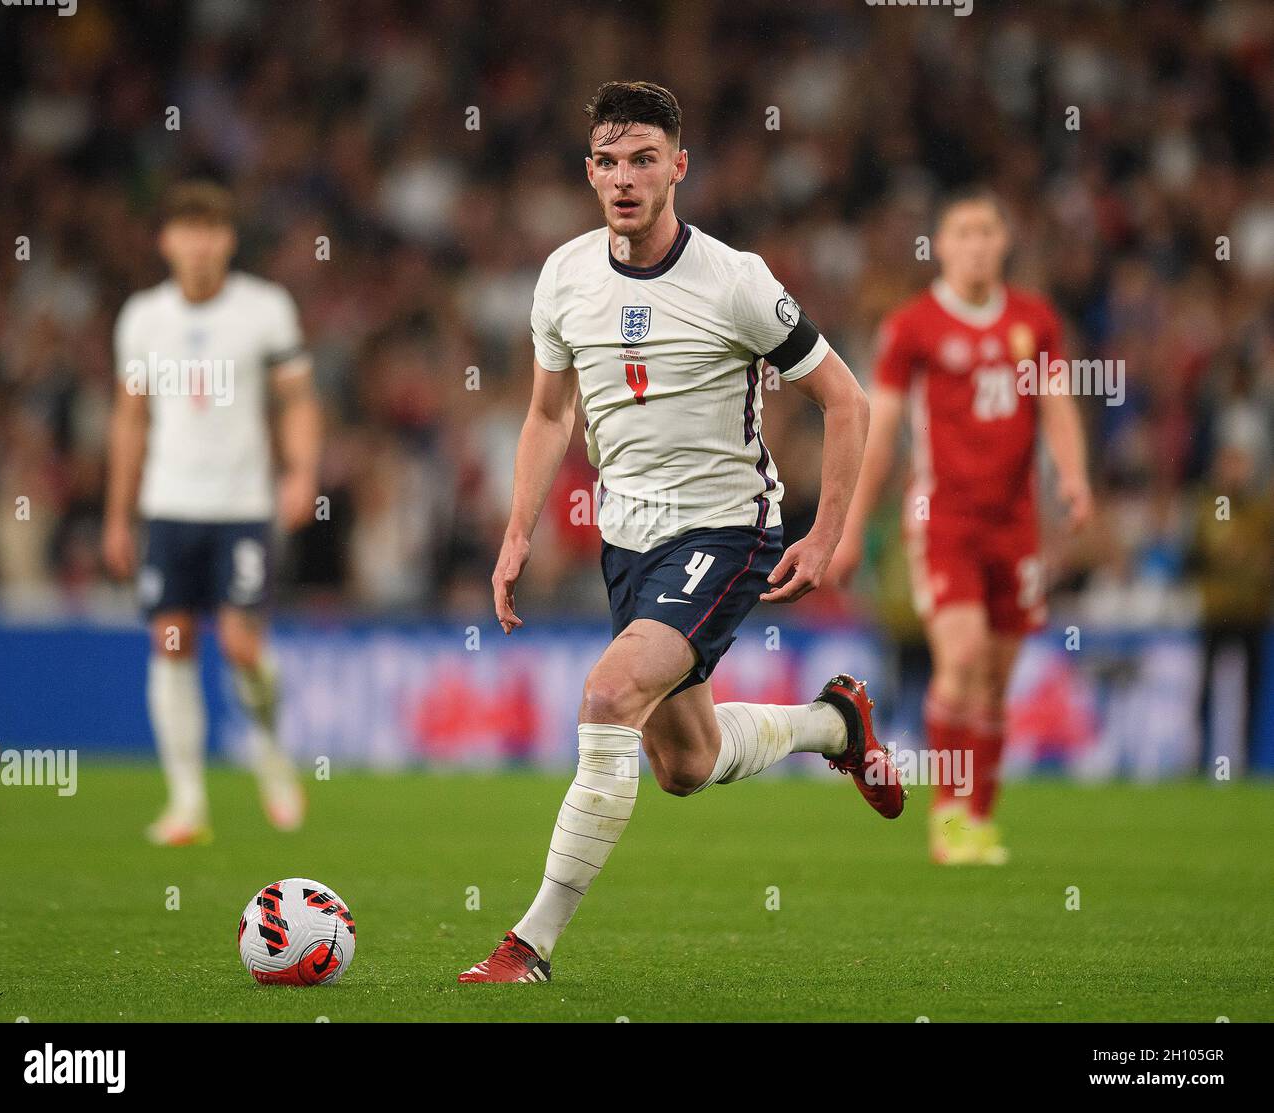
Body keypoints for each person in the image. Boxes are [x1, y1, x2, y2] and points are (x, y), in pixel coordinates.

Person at [459, 81, 903, 985]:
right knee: (685, 764)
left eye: (644, 160)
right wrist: (517, 532)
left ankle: (528, 943)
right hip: (628, 542)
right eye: (609, 162)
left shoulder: (734, 279)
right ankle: (837, 723)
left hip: (727, 528)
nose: (625, 179)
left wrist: (821, 538)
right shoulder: (564, 276)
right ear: (589, 172)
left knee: (608, 695)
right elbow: (548, 416)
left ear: (678, 168)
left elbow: (845, 400)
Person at [831, 189, 1092, 865]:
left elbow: (1057, 406)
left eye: (987, 231)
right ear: (940, 246)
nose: (975, 243)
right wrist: (854, 525)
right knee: (963, 658)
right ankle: (947, 812)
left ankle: (979, 818)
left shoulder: (1034, 320)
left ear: (1004, 243)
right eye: (962, 232)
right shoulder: (914, 327)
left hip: (1017, 523)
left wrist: (1072, 476)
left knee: (998, 682)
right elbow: (882, 431)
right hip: (944, 520)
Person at [103, 181, 320, 845]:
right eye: (185, 230)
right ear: (165, 240)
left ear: (227, 240)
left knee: (239, 643)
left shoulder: (264, 308)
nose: (199, 245)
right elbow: (130, 419)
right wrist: (117, 515)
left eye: (211, 231)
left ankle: (269, 750)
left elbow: (297, 400)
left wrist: (302, 472)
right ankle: (187, 801)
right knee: (170, 641)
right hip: (169, 506)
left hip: (241, 504)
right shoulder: (142, 317)